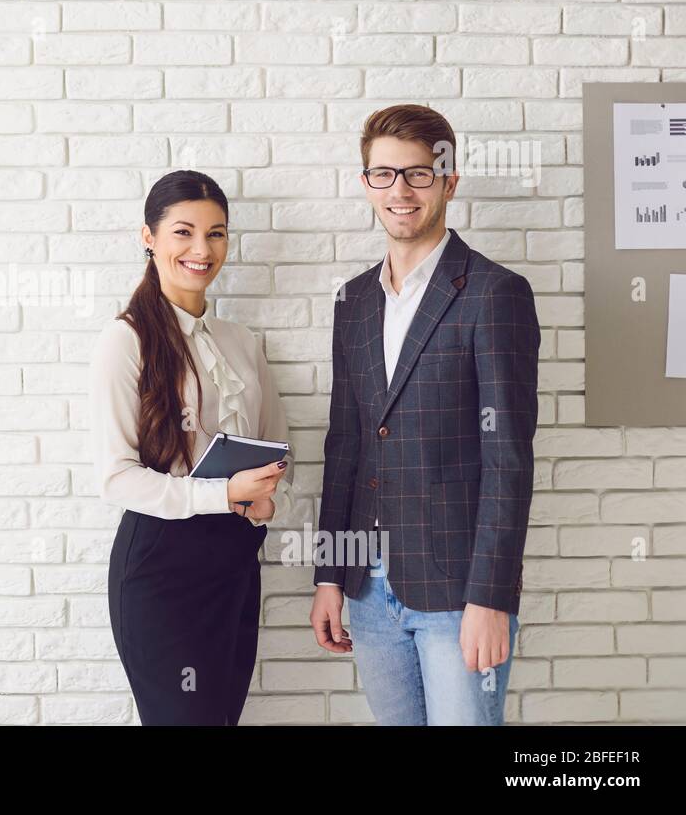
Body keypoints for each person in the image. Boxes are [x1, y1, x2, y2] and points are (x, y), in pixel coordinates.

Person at [309, 104, 540, 724]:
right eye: (383, 175)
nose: (401, 191)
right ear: (366, 184)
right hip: (368, 590)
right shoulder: (353, 301)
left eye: (418, 173)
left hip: (459, 594)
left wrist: (492, 598)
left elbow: (509, 459)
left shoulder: (496, 294)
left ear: (450, 181)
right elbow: (346, 445)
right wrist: (329, 572)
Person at [90, 169, 293, 726]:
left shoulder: (242, 343)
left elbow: (278, 449)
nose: (201, 249)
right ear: (148, 238)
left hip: (234, 563)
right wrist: (222, 491)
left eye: (217, 233)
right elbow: (115, 477)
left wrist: (270, 498)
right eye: (183, 232)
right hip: (161, 569)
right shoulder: (125, 340)